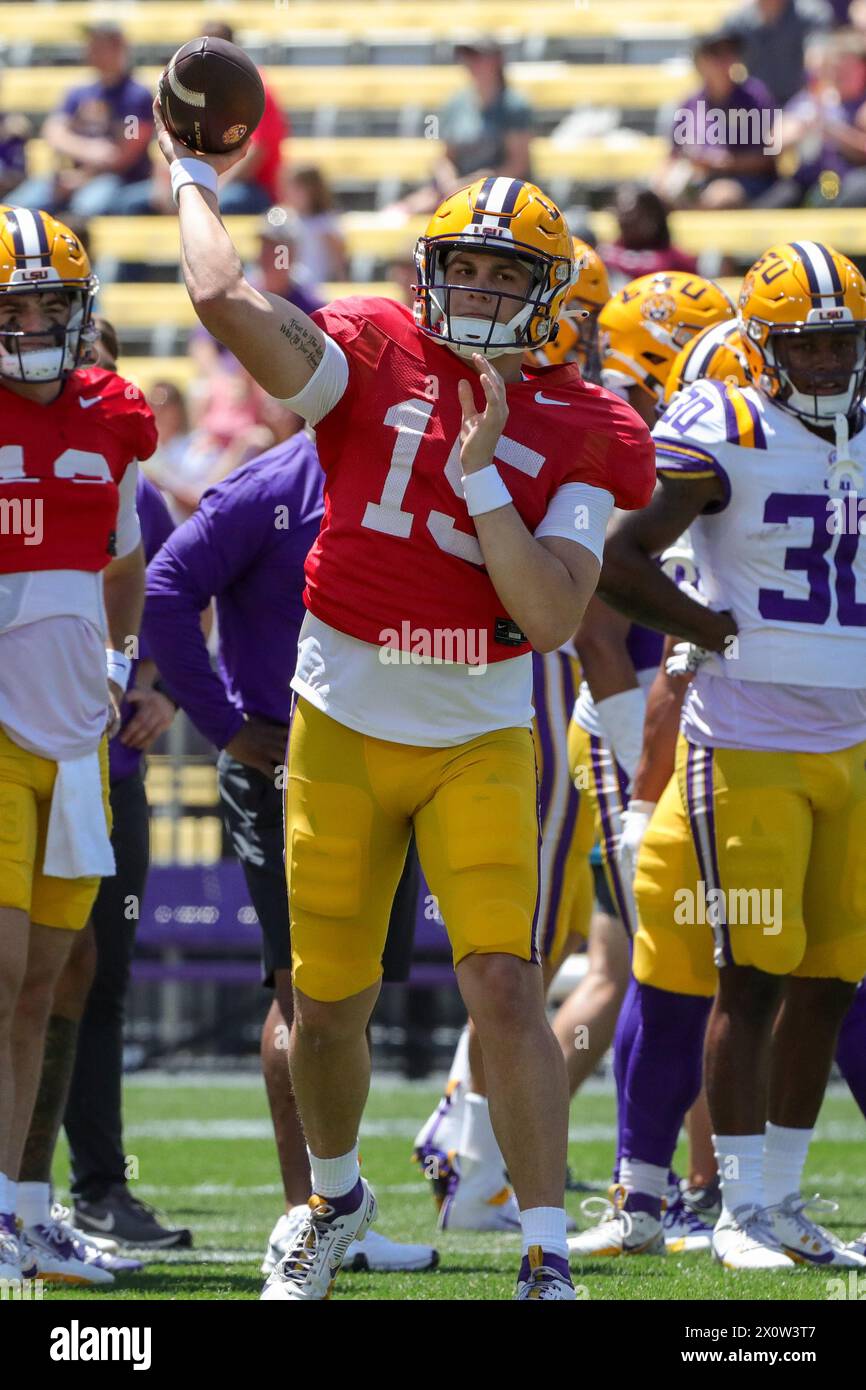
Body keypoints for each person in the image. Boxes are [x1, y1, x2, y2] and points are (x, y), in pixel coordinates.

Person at [155, 87, 656, 1300]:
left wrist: (484, 482)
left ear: (547, 296)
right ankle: (332, 1200)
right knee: (325, 1009)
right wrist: (191, 175)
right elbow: (225, 298)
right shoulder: (375, 347)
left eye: (503, 277)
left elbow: (546, 616)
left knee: (502, 979)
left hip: (476, 726)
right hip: (338, 719)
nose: (478, 295)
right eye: (464, 272)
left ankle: (543, 1249)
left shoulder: (588, 423)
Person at [594, 239, 866, 1270]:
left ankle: (783, 1200)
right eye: (808, 348)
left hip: (850, 742)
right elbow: (619, 561)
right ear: (760, 348)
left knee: (832, 979)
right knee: (746, 977)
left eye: (842, 344)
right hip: (745, 741)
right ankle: (735, 1209)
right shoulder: (727, 424)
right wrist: (707, 630)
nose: (830, 366)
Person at [144, 432, 437, 1276]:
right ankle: (309, 1216)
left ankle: (330, 1205)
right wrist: (227, 726)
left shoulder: (416, 465)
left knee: (347, 996)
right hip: (289, 759)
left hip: (392, 752)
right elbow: (166, 587)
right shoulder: (269, 486)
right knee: (307, 993)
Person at [0, 207, 151, 1285]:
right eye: (18, 305)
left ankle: (18, 1204)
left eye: (53, 302)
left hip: (76, 742)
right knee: (1, 973)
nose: (39, 321)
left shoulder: (115, 414)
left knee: (46, 986)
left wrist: (120, 666)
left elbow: (127, 557)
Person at [10, 22, 154, 219]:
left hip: (119, 181)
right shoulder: (79, 92)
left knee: (84, 210)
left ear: (119, 47)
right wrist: (89, 150)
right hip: (69, 177)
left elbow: (124, 153)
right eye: (91, 43)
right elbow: (53, 132)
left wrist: (84, 175)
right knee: (16, 208)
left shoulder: (136, 96)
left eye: (100, 44)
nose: (91, 49)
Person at [387, 38, 534, 218]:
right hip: (458, 192)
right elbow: (445, 157)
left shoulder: (514, 105)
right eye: (467, 56)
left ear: (497, 60)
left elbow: (517, 165)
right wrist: (450, 184)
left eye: (478, 56)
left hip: (501, 197)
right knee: (405, 214)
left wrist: (474, 184)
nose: (471, 62)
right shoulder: (456, 103)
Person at [656, 32, 778, 210]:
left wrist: (725, 163)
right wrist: (662, 180)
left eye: (730, 53)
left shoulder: (756, 96)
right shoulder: (690, 103)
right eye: (716, 54)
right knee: (659, 196)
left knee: (721, 197)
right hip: (699, 180)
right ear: (700, 62)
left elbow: (770, 157)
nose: (725, 60)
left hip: (749, 182)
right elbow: (674, 155)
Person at [758, 30, 866, 207]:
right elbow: (774, 142)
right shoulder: (811, 100)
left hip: (851, 184)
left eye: (847, 68)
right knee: (771, 206)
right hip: (808, 183)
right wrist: (799, 128)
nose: (838, 74)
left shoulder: (862, 106)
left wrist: (833, 130)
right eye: (835, 67)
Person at [722, 0, 835, 106]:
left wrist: (815, 65)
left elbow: (817, 55)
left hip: (799, 105)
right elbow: (717, 61)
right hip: (754, 106)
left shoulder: (811, 13)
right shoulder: (737, 21)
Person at [597, 189, 697, 293]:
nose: (624, 219)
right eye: (620, 212)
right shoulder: (602, 254)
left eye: (631, 213)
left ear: (653, 216)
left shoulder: (679, 261)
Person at [285, 167, 348, 288]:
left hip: (316, 287)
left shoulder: (325, 223)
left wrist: (342, 283)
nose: (291, 193)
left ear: (314, 191)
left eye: (298, 188)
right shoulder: (285, 220)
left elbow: (338, 261)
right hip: (292, 286)